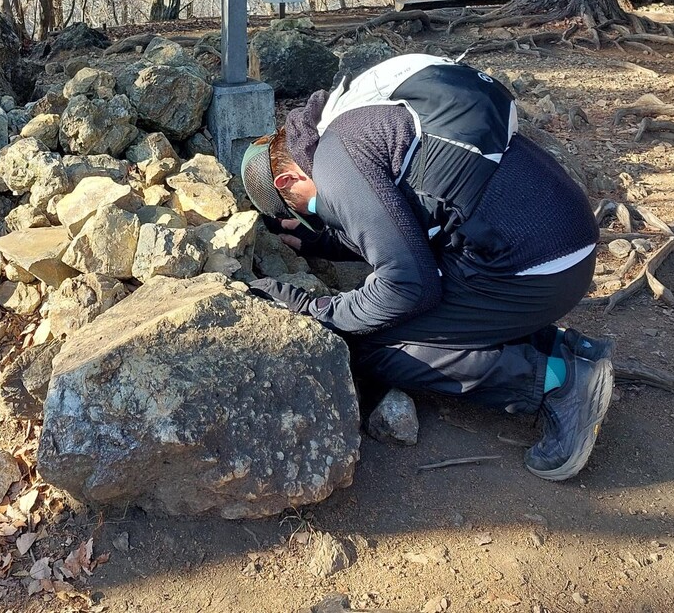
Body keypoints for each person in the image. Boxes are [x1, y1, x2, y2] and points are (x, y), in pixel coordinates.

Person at [239, 53, 614, 481]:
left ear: (286, 181)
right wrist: (325, 242)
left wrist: (316, 313)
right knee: (411, 303)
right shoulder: (354, 118)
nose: (315, 217)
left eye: (302, 212)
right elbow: (406, 222)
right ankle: (566, 348)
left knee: (372, 344)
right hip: (566, 246)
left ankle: (560, 382)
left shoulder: (334, 161)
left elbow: (407, 285)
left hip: (534, 272)